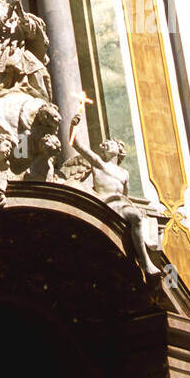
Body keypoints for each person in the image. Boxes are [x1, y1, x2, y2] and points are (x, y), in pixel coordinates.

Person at [70, 114, 159, 277]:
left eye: (111, 143)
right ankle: (146, 262)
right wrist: (73, 125)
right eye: (106, 144)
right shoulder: (99, 163)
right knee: (136, 217)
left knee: (144, 218)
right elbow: (76, 144)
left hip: (122, 204)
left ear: (119, 150)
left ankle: (147, 247)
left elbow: (126, 196)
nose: (107, 145)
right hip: (107, 203)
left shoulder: (124, 173)